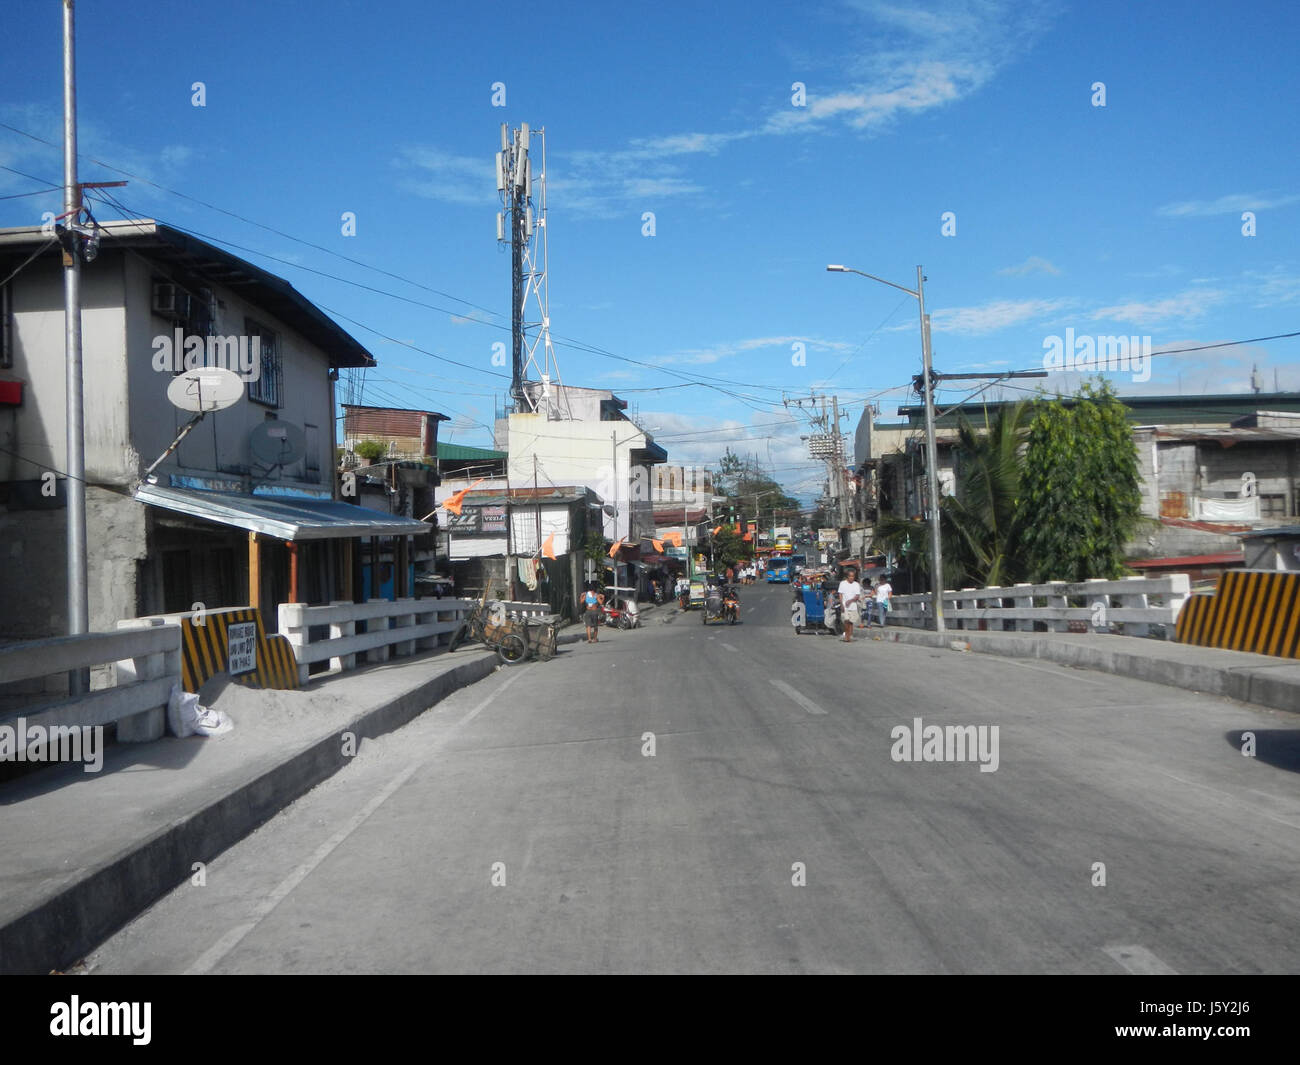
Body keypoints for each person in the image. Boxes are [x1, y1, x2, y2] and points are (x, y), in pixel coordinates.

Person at [837, 566, 864, 643]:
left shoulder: (856, 584)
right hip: (845, 606)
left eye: (853, 576)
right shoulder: (842, 583)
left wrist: (851, 600)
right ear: (847, 576)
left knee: (851, 622)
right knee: (846, 621)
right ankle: (847, 636)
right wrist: (842, 604)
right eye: (850, 576)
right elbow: (840, 594)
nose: (852, 578)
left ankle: (849, 636)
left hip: (853, 606)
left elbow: (857, 596)